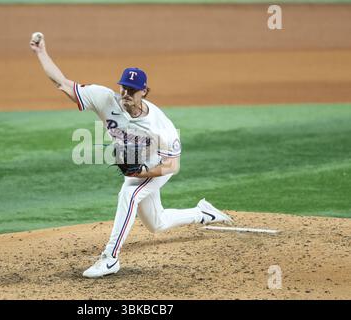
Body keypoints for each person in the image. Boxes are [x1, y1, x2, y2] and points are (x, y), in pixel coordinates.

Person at [30, 34, 233, 278]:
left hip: (157, 166)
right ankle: (204, 213)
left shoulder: (161, 127)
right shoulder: (105, 98)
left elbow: (172, 166)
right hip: (139, 168)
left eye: (133, 90)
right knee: (156, 224)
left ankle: (110, 258)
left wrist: (143, 173)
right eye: (124, 87)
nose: (126, 93)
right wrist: (41, 52)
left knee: (129, 193)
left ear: (144, 92)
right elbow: (62, 83)